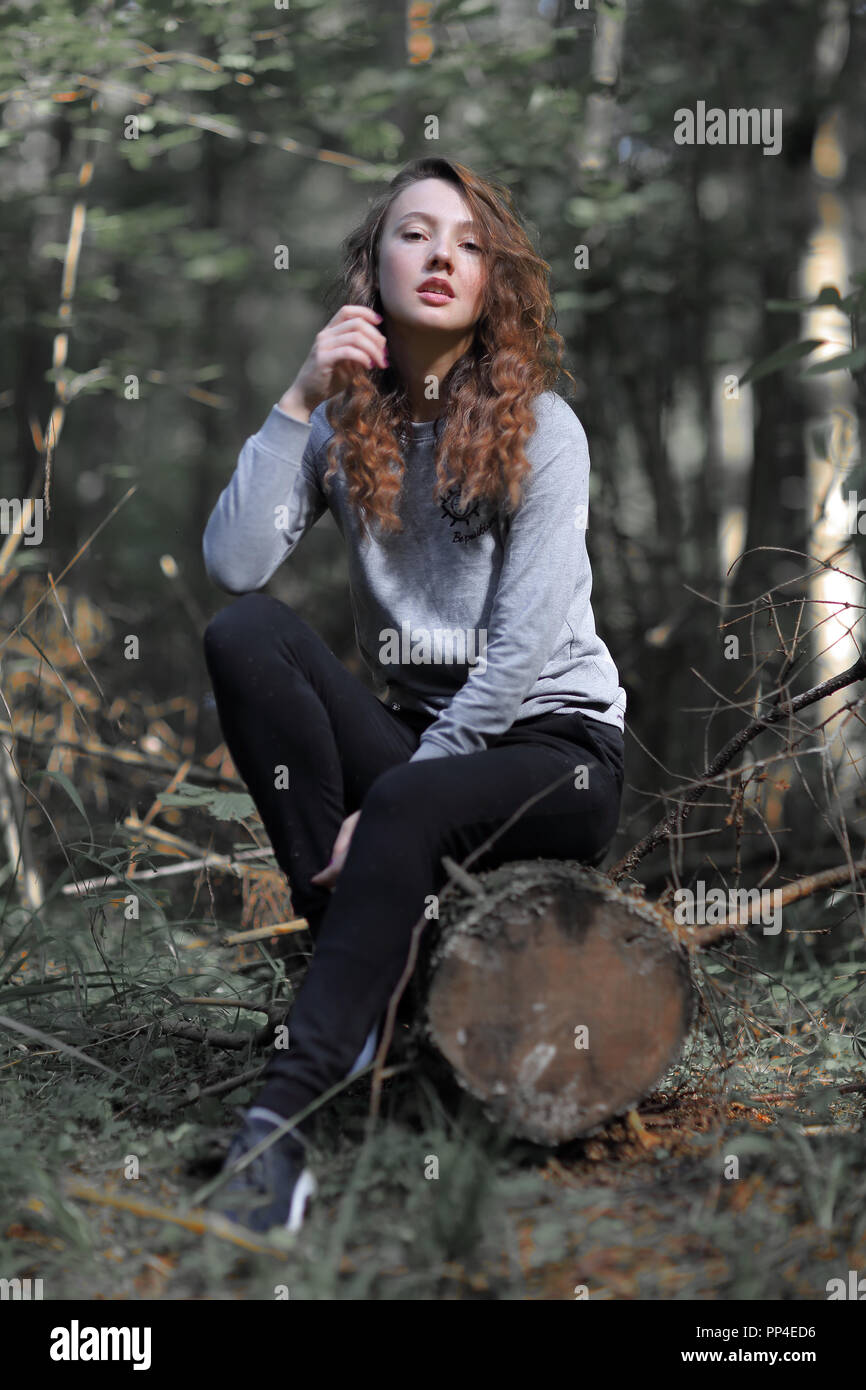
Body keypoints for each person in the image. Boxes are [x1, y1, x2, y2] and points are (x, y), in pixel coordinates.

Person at [201, 155, 627, 1233]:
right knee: (245, 635)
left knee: (401, 798)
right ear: (370, 267)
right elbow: (235, 566)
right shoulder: (345, 428)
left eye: (469, 242)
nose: (441, 255)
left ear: (494, 282)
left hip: (557, 751)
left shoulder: (545, 429)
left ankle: (280, 1125)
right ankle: (358, 991)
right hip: (421, 747)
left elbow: (523, 652)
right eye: (414, 233)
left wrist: (404, 790)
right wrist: (297, 397)